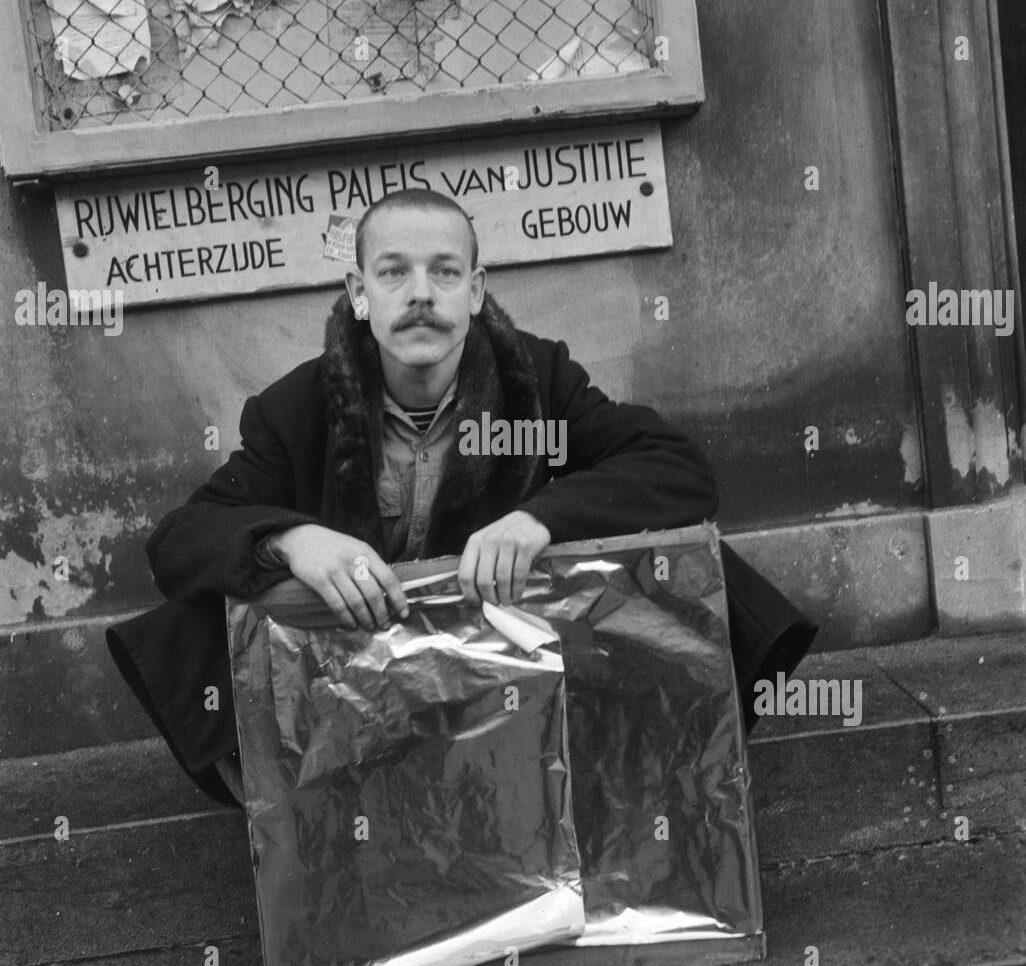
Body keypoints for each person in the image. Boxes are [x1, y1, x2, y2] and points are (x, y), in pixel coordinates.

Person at [109, 190, 814, 814]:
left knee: (689, 559)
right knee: (192, 619)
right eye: (394, 272)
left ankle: (643, 795)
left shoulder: (531, 384)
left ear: (475, 292)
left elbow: (677, 470)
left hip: (511, 670)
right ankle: (303, 829)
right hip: (365, 687)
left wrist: (540, 518)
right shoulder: (299, 409)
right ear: (359, 293)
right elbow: (180, 541)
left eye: (445, 271)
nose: (421, 293)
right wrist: (290, 539)